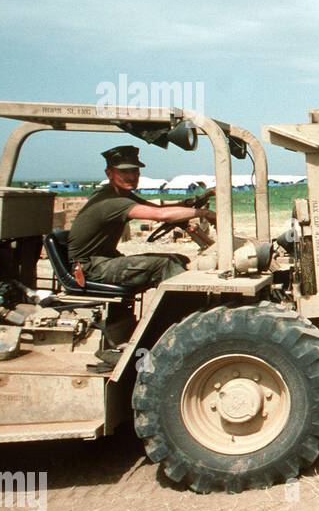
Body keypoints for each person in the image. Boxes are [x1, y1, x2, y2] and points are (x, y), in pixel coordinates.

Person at [68, 145, 215, 362]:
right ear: (110, 173)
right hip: (92, 267)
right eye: (124, 172)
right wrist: (203, 213)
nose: (131, 176)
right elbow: (160, 215)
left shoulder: (121, 195)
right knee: (163, 265)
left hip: (103, 261)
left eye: (135, 171)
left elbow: (158, 207)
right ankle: (187, 328)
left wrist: (190, 203)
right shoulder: (111, 201)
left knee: (179, 259)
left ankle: (174, 322)